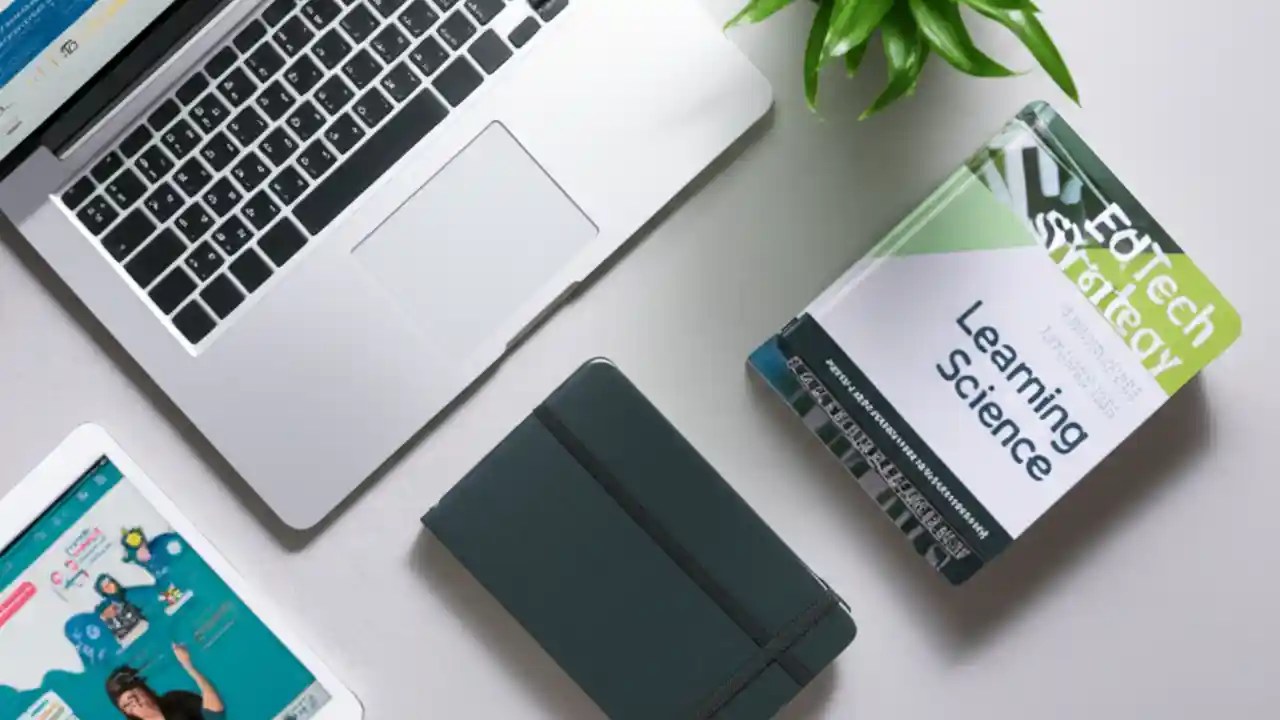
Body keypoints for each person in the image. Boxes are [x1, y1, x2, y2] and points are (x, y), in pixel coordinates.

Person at [105, 644, 226, 720]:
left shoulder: (175, 700)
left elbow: (215, 714)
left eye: (135, 694)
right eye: (129, 703)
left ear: (145, 690)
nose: (137, 702)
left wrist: (188, 665)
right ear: (126, 711)